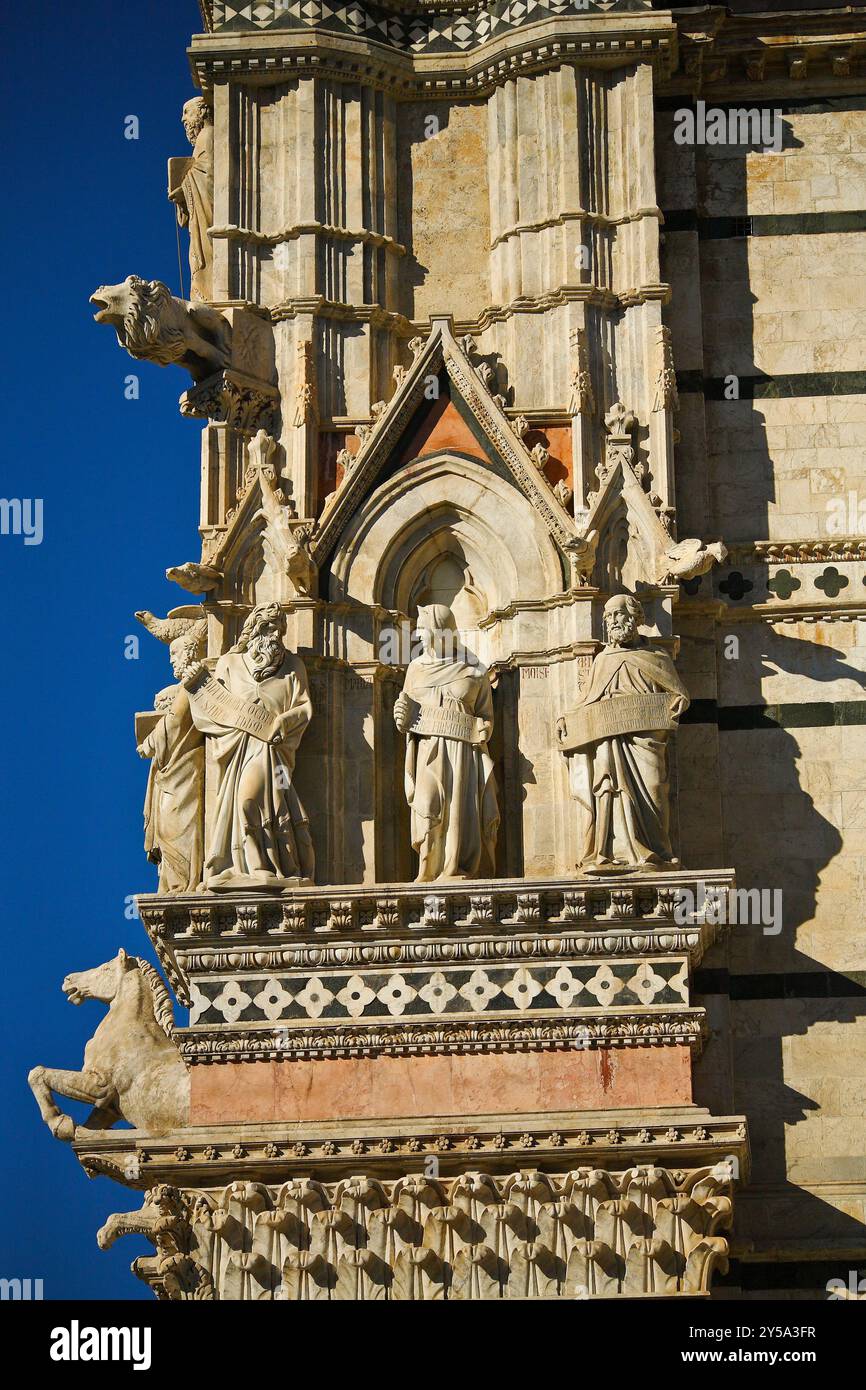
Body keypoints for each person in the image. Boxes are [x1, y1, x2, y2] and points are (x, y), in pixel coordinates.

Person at [186, 602, 314, 890]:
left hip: (272, 751)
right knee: (242, 803)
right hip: (238, 749)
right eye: (268, 627)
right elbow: (211, 708)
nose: (275, 634)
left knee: (255, 802)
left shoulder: (293, 666)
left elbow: (305, 708)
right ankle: (246, 866)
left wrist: (284, 722)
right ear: (254, 628)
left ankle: (267, 866)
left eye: (280, 629)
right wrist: (193, 681)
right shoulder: (229, 664)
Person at [561, 593, 690, 873]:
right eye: (608, 617)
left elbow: (679, 694)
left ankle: (656, 852)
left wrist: (678, 704)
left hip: (646, 740)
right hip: (610, 740)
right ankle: (612, 851)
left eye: (618, 614)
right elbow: (586, 700)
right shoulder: (602, 660)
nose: (613, 621)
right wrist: (566, 721)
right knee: (609, 787)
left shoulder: (656, 656)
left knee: (654, 787)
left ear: (635, 618)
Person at [394, 604, 499, 881]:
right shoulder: (415, 669)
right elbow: (405, 711)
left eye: (423, 628)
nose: (418, 633)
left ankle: (456, 867)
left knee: (459, 811)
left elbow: (486, 716)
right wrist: (401, 718)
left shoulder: (474, 669)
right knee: (427, 805)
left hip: (462, 752)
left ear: (439, 630)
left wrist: (483, 729)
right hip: (427, 749)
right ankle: (427, 870)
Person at [138, 628, 206, 893]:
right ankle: (175, 882)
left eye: (174, 653)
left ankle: (183, 883)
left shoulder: (192, 684)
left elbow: (175, 723)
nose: (170, 660)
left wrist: (149, 743)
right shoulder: (184, 687)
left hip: (184, 771)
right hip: (170, 772)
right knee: (169, 830)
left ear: (189, 654)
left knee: (177, 827)